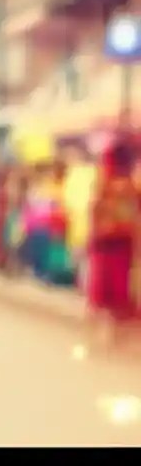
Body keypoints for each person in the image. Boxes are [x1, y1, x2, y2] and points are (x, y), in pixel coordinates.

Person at [86, 141, 138, 348]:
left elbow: (97, 213)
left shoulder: (112, 187)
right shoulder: (126, 187)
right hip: (116, 244)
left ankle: (108, 336)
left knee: (109, 291)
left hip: (112, 244)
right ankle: (112, 336)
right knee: (116, 291)